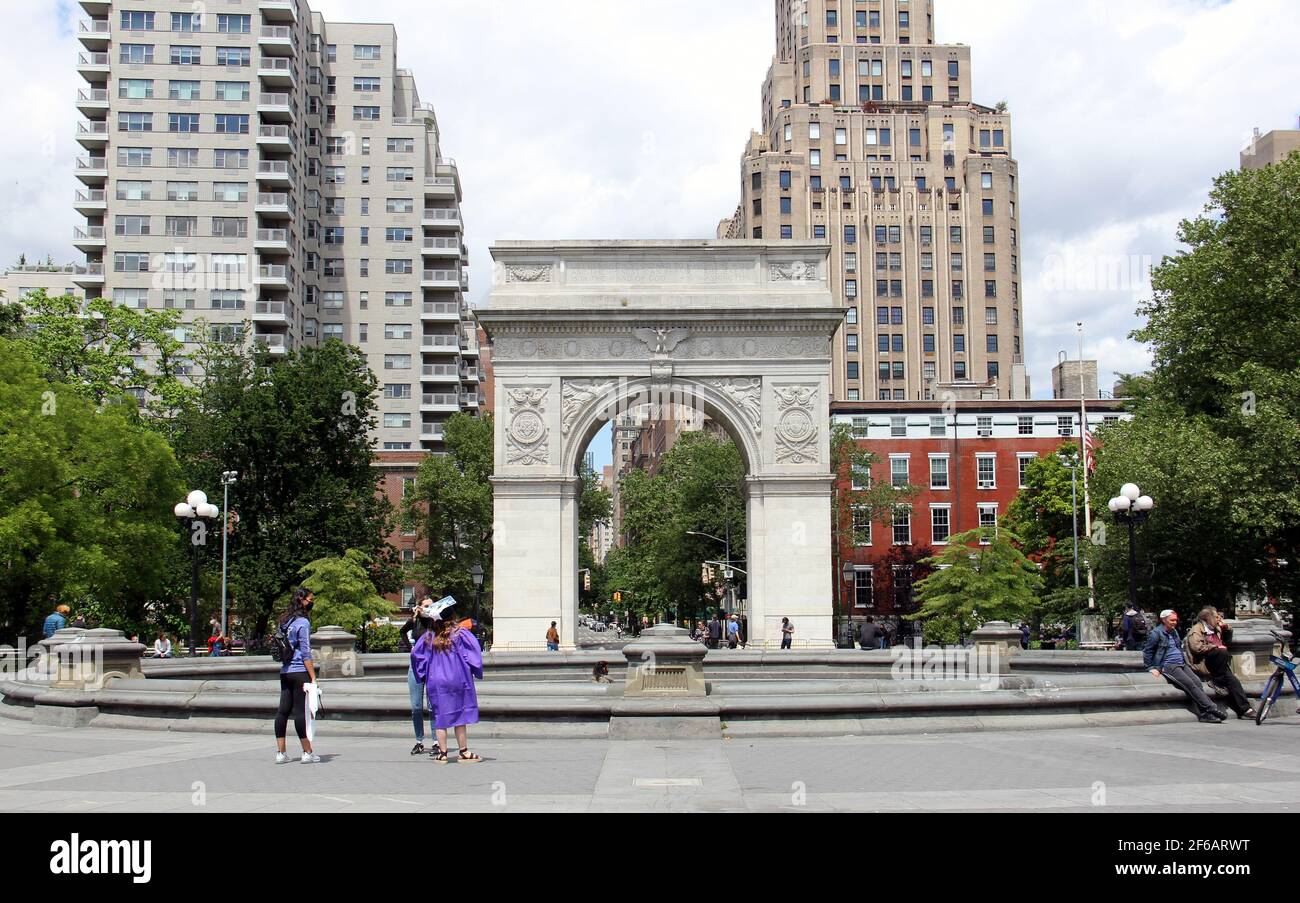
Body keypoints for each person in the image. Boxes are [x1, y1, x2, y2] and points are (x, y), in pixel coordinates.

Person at [411, 597, 484, 764]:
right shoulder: (460, 633)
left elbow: (416, 655)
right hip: (457, 678)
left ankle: (442, 754)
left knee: (439, 715)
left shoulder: (429, 636)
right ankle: (464, 751)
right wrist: (475, 670)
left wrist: (422, 673)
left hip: (436, 680)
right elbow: (474, 654)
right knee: (460, 714)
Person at [1143, 609, 1226, 723]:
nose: (1174, 622)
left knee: (1197, 682)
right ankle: (1211, 708)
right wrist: (1151, 668)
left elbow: (1178, 647)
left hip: (1181, 663)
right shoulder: (1156, 633)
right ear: (1163, 620)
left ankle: (1204, 714)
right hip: (1169, 665)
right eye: (1171, 620)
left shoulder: (1174, 631)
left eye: (1175, 620)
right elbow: (1147, 651)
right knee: (1190, 684)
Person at [274, 588, 321, 763]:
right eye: (310, 599)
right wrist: (313, 677)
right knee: (301, 712)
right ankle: (307, 752)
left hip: (284, 671)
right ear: (302, 600)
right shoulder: (303, 622)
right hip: (299, 671)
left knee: (282, 712)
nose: (312, 602)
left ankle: (281, 753)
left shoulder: (284, 621)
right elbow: (306, 652)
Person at [1186, 607, 1255, 720]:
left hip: (1219, 664)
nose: (1219, 619)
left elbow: (1227, 641)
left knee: (1233, 681)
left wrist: (1227, 629)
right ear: (1208, 618)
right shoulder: (1196, 630)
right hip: (1205, 663)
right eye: (1216, 617)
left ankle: (1245, 709)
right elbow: (1196, 647)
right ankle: (1217, 680)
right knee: (1222, 652)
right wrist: (1215, 647)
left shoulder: (1216, 628)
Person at [404, 600, 436, 754]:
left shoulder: (434, 622)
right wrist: (410, 648)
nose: (428, 608)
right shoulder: (414, 621)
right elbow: (402, 631)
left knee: (433, 706)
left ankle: (436, 741)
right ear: (420, 607)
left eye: (431, 605)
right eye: (426, 605)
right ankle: (419, 740)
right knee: (416, 706)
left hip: (432, 664)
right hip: (416, 665)